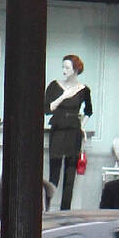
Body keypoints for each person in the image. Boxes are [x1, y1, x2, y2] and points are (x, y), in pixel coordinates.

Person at [44, 55, 93, 210]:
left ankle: (65, 211)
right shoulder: (54, 86)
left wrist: (82, 125)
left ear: (76, 69)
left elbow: (89, 111)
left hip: (73, 130)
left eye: (67, 67)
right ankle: (47, 207)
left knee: (70, 174)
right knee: (54, 172)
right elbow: (47, 109)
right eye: (63, 67)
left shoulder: (83, 90)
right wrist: (63, 97)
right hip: (58, 129)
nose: (64, 70)